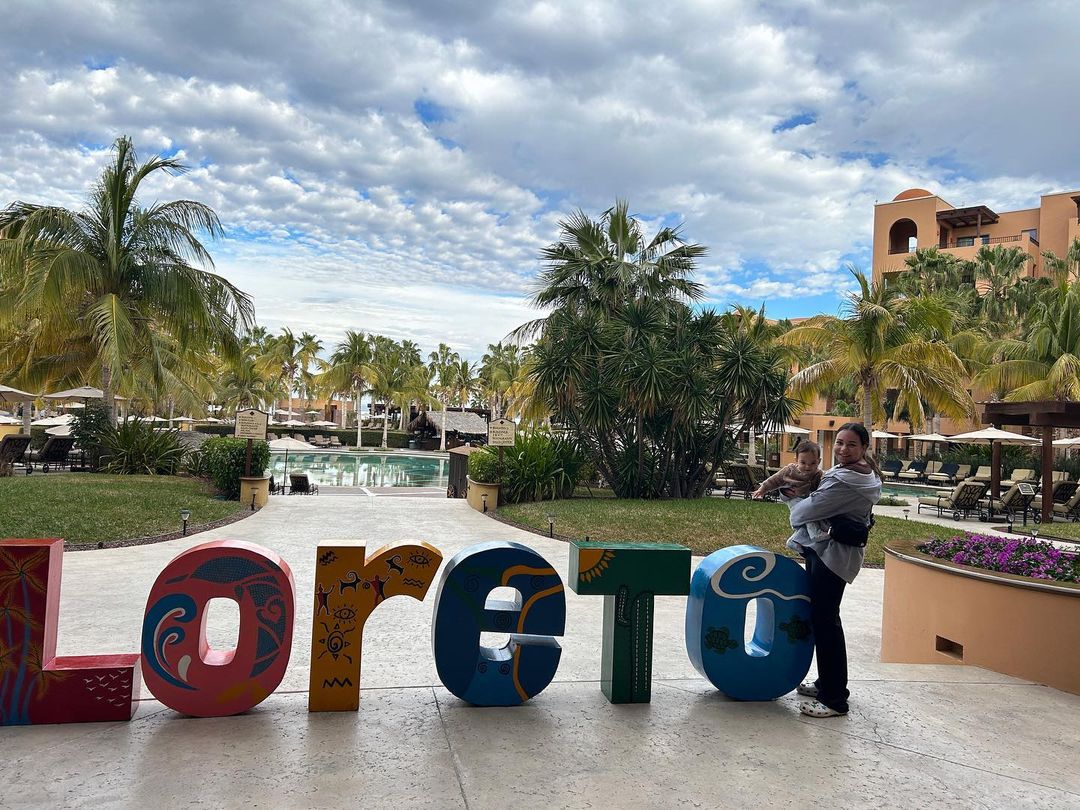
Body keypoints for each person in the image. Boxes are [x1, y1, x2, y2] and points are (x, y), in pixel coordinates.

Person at [787, 423, 881, 718]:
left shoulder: (845, 480)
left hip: (834, 556)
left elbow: (801, 513)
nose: (842, 449)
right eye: (839, 442)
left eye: (851, 444)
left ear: (864, 448)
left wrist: (797, 500)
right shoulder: (861, 474)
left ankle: (835, 699)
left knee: (826, 621)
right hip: (828, 551)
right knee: (824, 618)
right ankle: (827, 682)